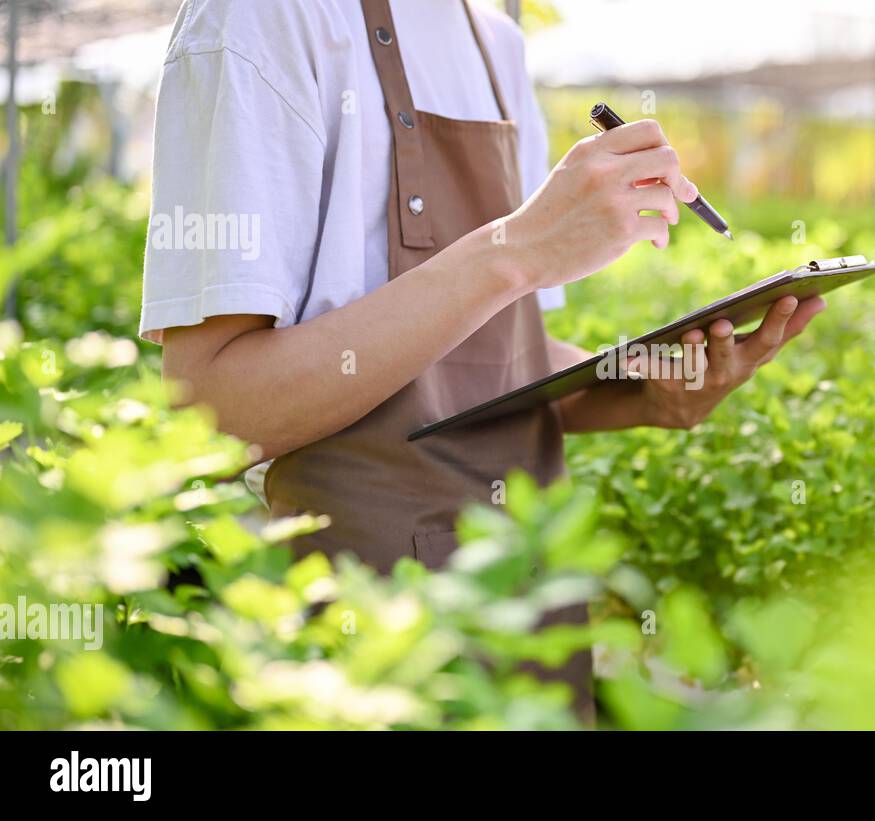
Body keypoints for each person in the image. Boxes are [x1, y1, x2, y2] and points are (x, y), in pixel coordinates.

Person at [140, 0, 824, 717]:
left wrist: (645, 389)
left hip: (533, 607)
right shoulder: (265, 17)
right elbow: (210, 412)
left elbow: (494, 358)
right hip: (372, 640)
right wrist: (515, 250)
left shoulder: (495, 41)